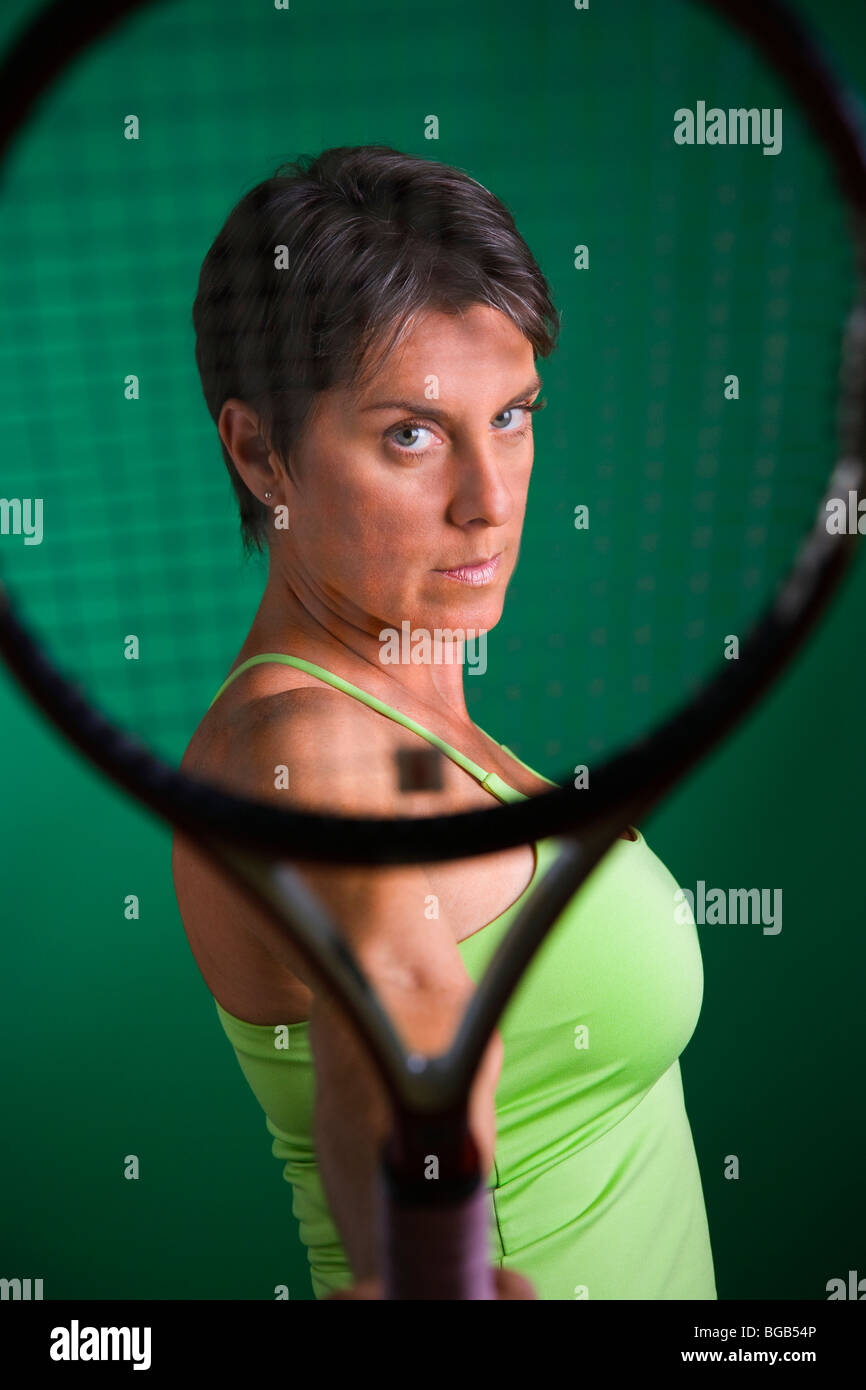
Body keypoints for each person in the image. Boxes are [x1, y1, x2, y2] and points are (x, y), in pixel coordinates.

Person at [172, 144, 716, 1300]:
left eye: (512, 417)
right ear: (259, 449)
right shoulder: (298, 744)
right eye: (409, 435)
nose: (490, 497)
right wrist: (429, 1261)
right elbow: (405, 992)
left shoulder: (431, 717)